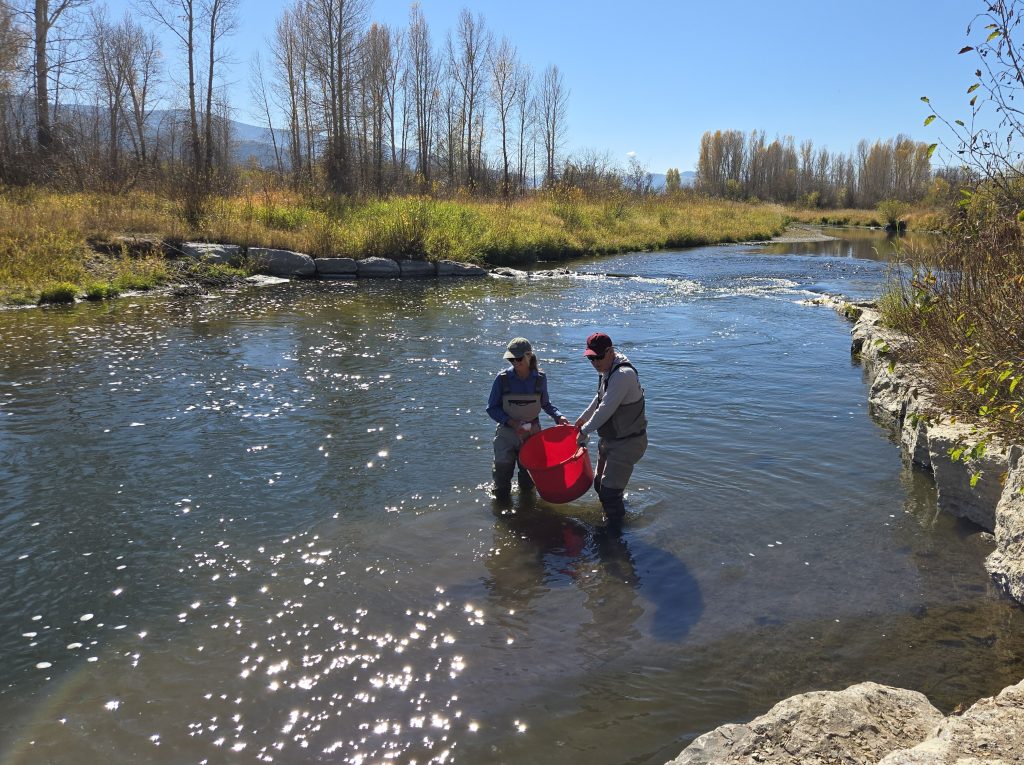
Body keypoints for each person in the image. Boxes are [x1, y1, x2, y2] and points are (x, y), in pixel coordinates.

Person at [574, 332, 647, 532]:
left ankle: (615, 536)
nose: (595, 362)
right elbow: (599, 399)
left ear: (610, 351)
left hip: (628, 442)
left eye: (598, 357)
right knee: (599, 485)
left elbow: (606, 407)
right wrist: (583, 418)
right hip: (610, 439)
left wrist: (585, 431)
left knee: (609, 492)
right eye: (591, 358)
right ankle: (614, 514)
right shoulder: (608, 369)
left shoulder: (623, 375)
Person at [487, 337, 570, 499]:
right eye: (511, 359)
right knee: (501, 482)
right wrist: (512, 422)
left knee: (529, 482)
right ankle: (501, 515)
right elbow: (491, 408)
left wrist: (558, 417)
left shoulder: (540, 378)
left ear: (529, 356)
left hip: (532, 434)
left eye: (518, 359)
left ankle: (527, 515)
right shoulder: (502, 379)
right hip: (506, 434)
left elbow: (545, 404)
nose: (515, 363)